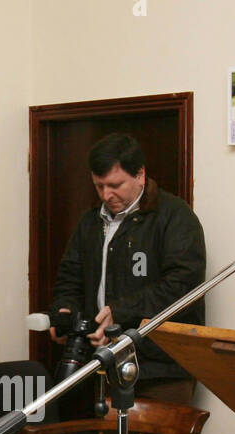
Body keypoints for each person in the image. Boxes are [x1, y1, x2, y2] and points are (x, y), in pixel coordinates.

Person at [48, 133, 206, 405]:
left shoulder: (176, 217)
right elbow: (70, 276)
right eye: (99, 186)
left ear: (140, 175)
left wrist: (119, 311)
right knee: (103, 433)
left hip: (160, 370)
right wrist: (64, 309)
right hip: (103, 363)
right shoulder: (90, 222)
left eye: (115, 185)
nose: (106, 195)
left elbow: (182, 286)